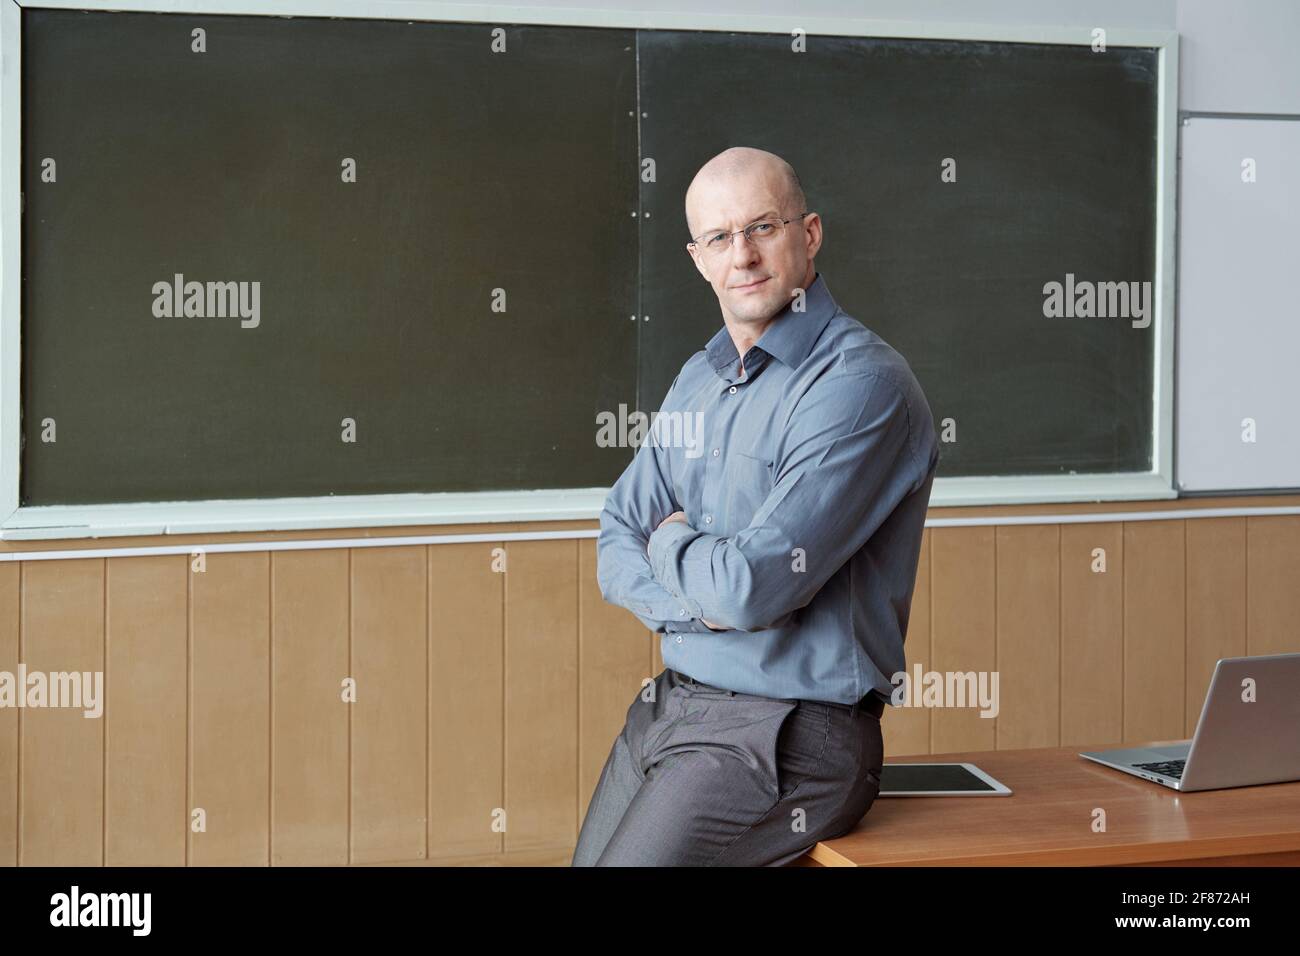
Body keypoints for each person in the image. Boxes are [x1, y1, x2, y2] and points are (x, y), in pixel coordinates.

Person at [572, 146, 939, 866]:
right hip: (673, 704)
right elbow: (617, 537)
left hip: (795, 734)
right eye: (719, 237)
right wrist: (701, 606)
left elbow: (752, 586)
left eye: (762, 227)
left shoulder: (860, 385)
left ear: (809, 234)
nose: (742, 254)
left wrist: (675, 546)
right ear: (698, 258)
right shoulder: (698, 380)